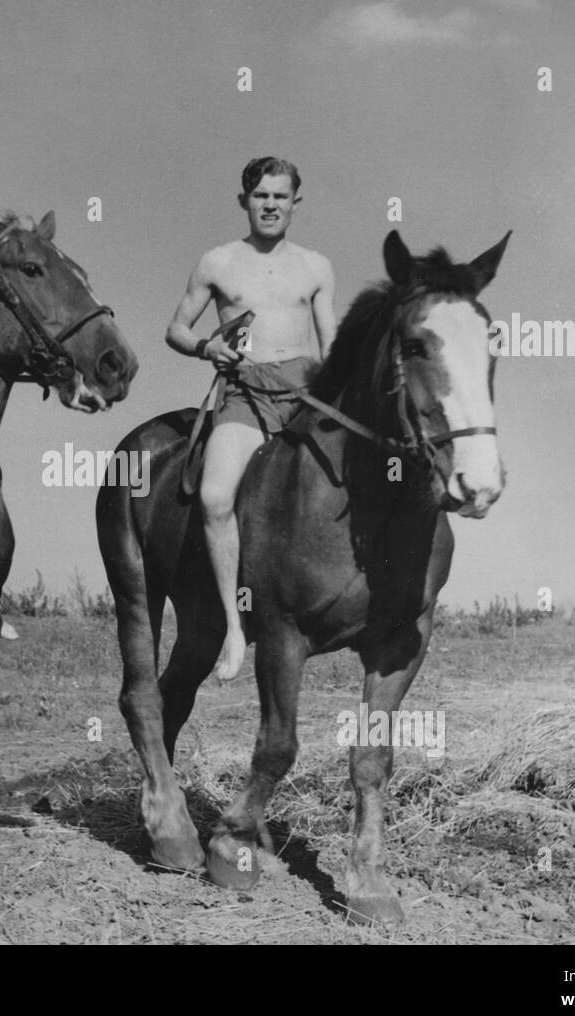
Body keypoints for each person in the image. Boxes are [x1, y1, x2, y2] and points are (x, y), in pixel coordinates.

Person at [164, 157, 337, 679]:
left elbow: (332, 347)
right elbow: (175, 329)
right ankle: (235, 633)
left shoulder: (316, 266)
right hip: (244, 395)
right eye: (260, 195)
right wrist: (206, 347)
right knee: (216, 498)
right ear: (244, 200)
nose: (270, 205)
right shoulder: (216, 262)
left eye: (280, 197)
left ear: (295, 203)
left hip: (304, 395)